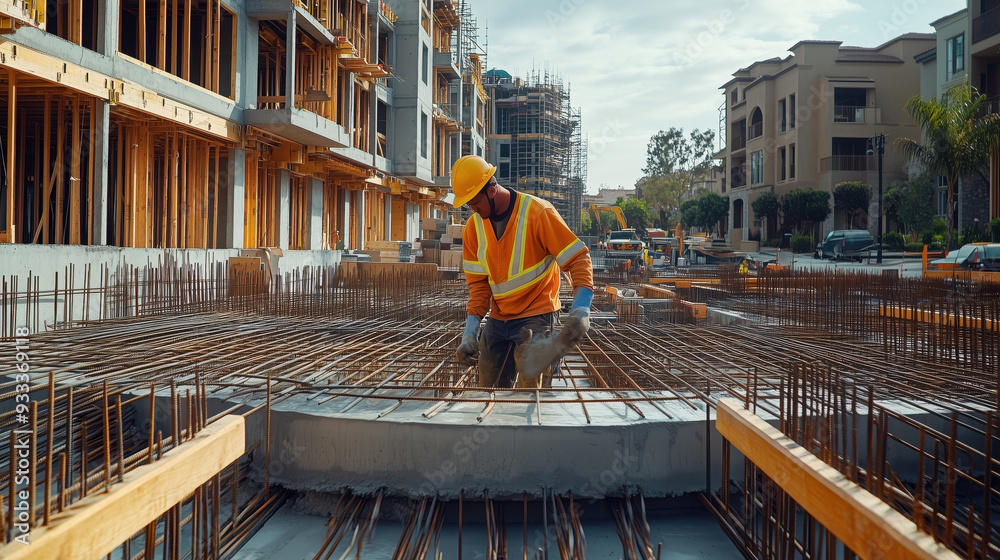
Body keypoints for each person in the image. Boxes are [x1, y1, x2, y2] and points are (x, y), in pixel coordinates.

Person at [451, 155, 594, 389]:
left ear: (491, 189)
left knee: (531, 390)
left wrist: (581, 309)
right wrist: (470, 332)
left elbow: (578, 258)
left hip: (536, 314)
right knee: (488, 387)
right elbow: (478, 288)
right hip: (499, 317)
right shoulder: (473, 229)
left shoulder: (538, 213)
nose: (471, 208)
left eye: (474, 201)